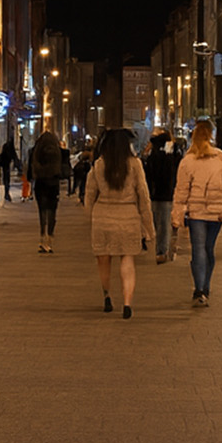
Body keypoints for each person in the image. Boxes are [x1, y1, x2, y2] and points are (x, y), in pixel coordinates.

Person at [170, 119, 222, 307]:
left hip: (196, 213)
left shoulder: (187, 161)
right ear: (211, 136)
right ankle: (205, 287)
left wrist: (177, 215)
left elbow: (181, 192)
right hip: (216, 214)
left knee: (198, 249)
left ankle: (199, 289)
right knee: (208, 248)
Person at [86, 128, 153, 319]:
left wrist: (90, 218)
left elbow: (89, 194)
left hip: (103, 217)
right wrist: (148, 225)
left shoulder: (99, 165)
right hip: (128, 217)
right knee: (127, 259)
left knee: (103, 259)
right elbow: (143, 194)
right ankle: (127, 303)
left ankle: (107, 295)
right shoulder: (135, 164)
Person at [143, 131, 181, 264]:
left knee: (162, 224)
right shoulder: (161, 154)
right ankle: (163, 250)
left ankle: (162, 251)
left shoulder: (159, 154)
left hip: (159, 193)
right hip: (164, 193)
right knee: (162, 224)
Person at [27, 129, 67, 252]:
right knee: (52, 211)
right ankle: (50, 237)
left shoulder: (35, 151)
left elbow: (30, 168)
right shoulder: (58, 152)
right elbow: (63, 169)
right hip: (53, 184)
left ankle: (42, 236)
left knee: (42, 210)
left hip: (40, 183)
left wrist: (30, 179)